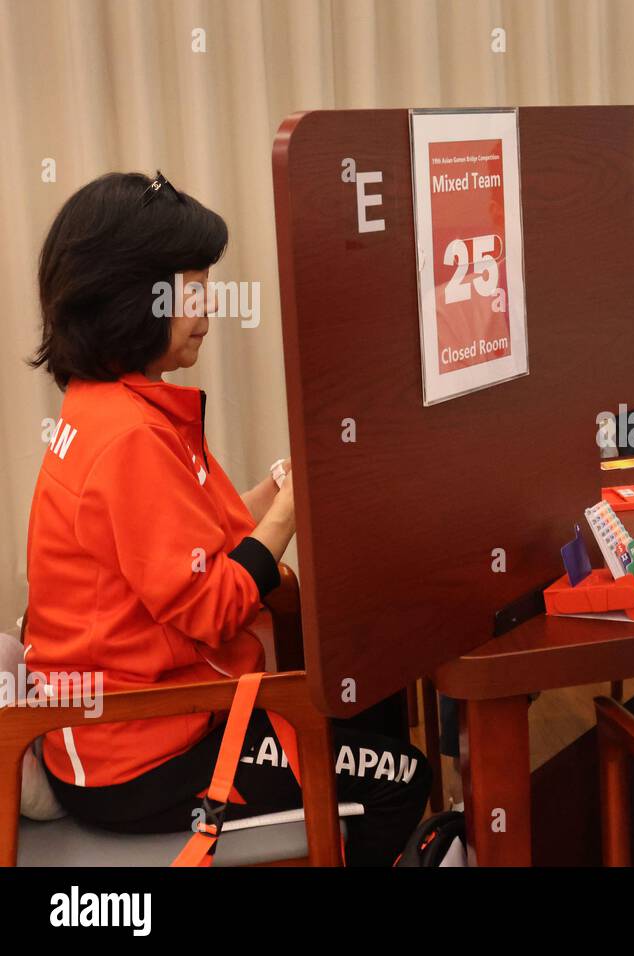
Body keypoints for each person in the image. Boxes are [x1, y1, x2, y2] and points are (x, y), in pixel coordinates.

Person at [24, 172, 430, 866]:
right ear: (128, 297)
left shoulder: (109, 407)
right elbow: (210, 609)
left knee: (368, 702)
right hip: (140, 755)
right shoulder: (128, 439)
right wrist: (293, 511)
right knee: (402, 777)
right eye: (189, 289)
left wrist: (282, 485)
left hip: (124, 727)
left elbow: (197, 538)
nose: (207, 308)